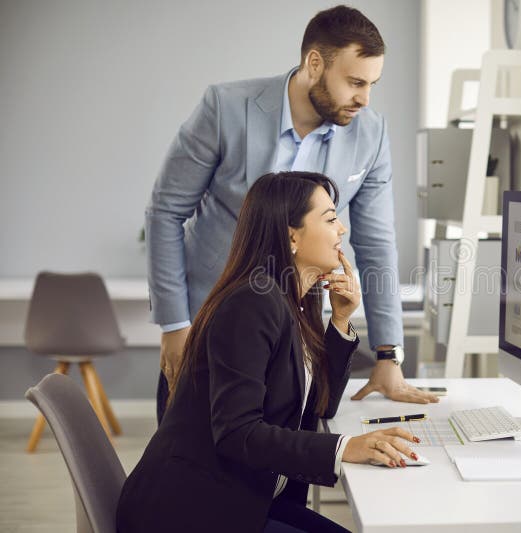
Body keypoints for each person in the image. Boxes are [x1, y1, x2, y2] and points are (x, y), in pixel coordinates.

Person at [147, 5, 438, 424]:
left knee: (280, 466)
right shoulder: (225, 107)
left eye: (373, 83)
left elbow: (377, 245)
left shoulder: (369, 133)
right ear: (314, 64)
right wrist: (175, 325)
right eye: (355, 82)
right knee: (192, 469)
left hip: (297, 339)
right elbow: (165, 213)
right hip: (207, 324)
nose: (365, 98)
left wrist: (388, 354)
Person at [118, 172, 421, 533]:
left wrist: (340, 319)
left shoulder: (295, 300)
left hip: (245, 499)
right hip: (187, 511)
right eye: (330, 218)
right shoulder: (252, 302)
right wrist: (344, 449)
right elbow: (237, 432)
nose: (342, 230)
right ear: (291, 234)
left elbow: (318, 409)